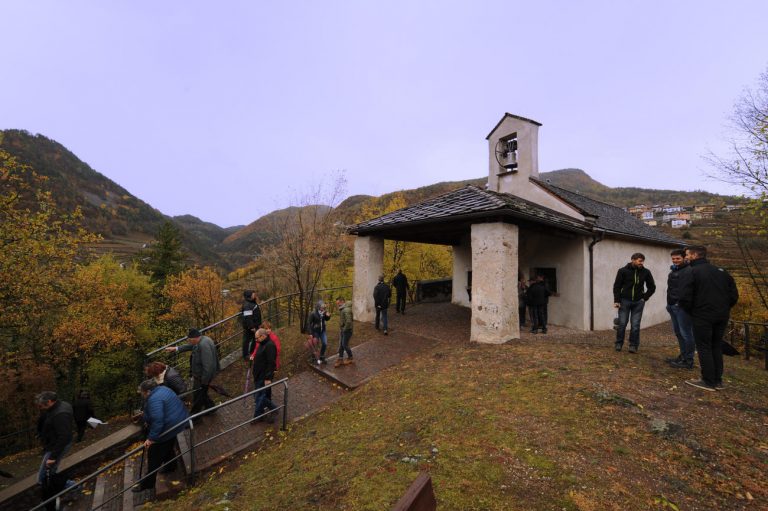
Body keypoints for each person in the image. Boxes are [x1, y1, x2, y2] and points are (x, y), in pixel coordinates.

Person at [680, 245, 738, 392]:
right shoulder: (722, 272)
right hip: (722, 315)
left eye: (687, 255)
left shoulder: (691, 271)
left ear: (694, 255)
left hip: (702, 315)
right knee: (716, 345)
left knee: (704, 346)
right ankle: (718, 380)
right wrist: (723, 309)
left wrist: (693, 311)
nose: (686, 257)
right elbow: (734, 296)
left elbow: (684, 297)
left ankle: (708, 381)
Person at [133, 379, 188, 493]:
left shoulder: (154, 399)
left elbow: (158, 421)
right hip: (177, 421)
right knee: (167, 445)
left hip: (169, 427)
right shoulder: (163, 389)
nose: (142, 395)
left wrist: (151, 438)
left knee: (153, 454)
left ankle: (147, 483)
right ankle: (171, 466)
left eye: (142, 392)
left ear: (148, 391)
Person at [166, 328, 220, 414]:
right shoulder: (201, 340)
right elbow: (190, 346)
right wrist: (176, 348)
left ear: (195, 338)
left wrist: (204, 381)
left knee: (198, 395)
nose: (189, 342)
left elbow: (208, 366)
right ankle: (211, 408)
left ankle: (195, 416)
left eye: (190, 340)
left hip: (202, 376)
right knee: (202, 393)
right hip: (201, 376)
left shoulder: (204, 345)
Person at [612, 252, 656, 353]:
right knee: (622, 324)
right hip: (624, 301)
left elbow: (652, 287)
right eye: (640, 261)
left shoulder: (646, 272)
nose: (641, 263)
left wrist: (644, 297)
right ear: (633, 260)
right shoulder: (622, 271)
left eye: (643, 261)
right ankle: (619, 343)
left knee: (635, 325)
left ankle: (633, 346)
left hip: (638, 302)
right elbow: (617, 286)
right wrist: (617, 300)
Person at [35, 391, 75, 489]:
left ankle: (73, 486)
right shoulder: (60, 405)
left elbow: (64, 436)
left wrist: (53, 457)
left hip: (56, 446)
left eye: (41, 405)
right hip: (53, 444)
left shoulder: (60, 414)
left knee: (42, 477)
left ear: (49, 401)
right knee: (49, 472)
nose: (41, 408)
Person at [665, 249, 695, 369]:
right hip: (672, 305)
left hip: (681, 307)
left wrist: (679, 303)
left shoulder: (688, 271)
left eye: (678, 258)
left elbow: (687, 290)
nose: (675, 260)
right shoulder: (674, 270)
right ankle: (683, 356)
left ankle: (688, 360)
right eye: (673, 259)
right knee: (679, 333)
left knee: (686, 334)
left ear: (684, 258)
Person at [250, 328, 278, 423]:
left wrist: (268, 378)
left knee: (259, 396)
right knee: (259, 396)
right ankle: (272, 409)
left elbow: (271, 363)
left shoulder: (270, 346)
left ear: (263, 336)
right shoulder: (262, 344)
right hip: (258, 376)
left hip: (263, 376)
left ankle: (257, 416)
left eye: (257, 338)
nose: (256, 340)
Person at [240, 290, 262, 362]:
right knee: (246, 341)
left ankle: (252, 352)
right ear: (249, 296)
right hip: (250, 327)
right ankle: (246, 355)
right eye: (253, 294)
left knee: (254, 339)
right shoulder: (247, 305)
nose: (255, 295)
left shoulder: (251, 302)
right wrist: (252, 327)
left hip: (254, 326)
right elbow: (248, 317)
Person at [308, 300, 331, 364]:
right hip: (315, 331)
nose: (323, 308)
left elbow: (326, 319)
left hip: (322, 331)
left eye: (323, 307)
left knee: (325, 343)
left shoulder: (324, 312)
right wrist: (310, 333)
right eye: (321, 307)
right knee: (316, 345)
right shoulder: (313, 313)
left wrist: (328, 316)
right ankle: (314, 358)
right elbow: (309, 324)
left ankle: (321, 356)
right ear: (318, 307)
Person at [335, 296, 354, 367]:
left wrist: (344, 329)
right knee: (341, 344)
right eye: (337, 304)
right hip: (343, 330)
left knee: (344, 344)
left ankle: (350, 357)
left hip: (347, 330)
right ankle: (340, 359)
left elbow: (349, 322)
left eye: (338, 303)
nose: (338, 305)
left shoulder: (346, 310)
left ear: (342, 301)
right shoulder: (342, 309)